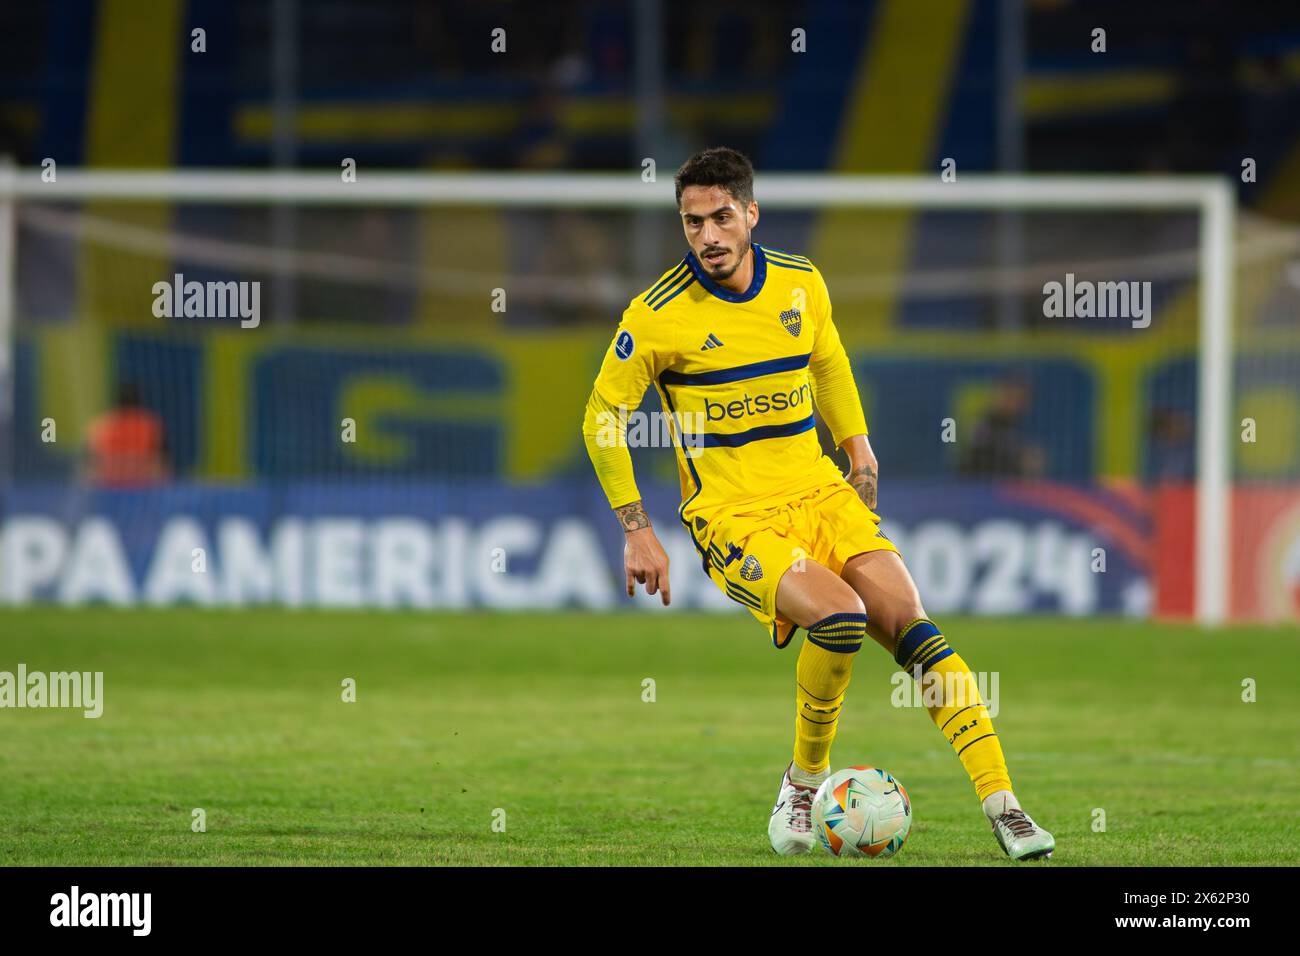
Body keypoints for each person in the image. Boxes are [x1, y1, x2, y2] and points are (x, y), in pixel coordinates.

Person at [581, 147, 1054, 859]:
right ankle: (803, 784)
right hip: (736, 517)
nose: (707, 236)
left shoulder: (801, 283)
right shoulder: (658, 316)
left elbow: (826, 357)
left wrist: (856, 442)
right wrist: (636, 529)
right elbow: (601, 418)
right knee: (840, 619)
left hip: (821, 492)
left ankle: (1005, 806)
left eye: (720, 217)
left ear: (750, 213)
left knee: (912, 627)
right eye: (691, 222)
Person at [85, 383, 168, 487]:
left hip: (110, 486)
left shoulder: (102, 425)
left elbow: (92, 463)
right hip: (143, 487)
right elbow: (161, 463)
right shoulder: (150, 425)